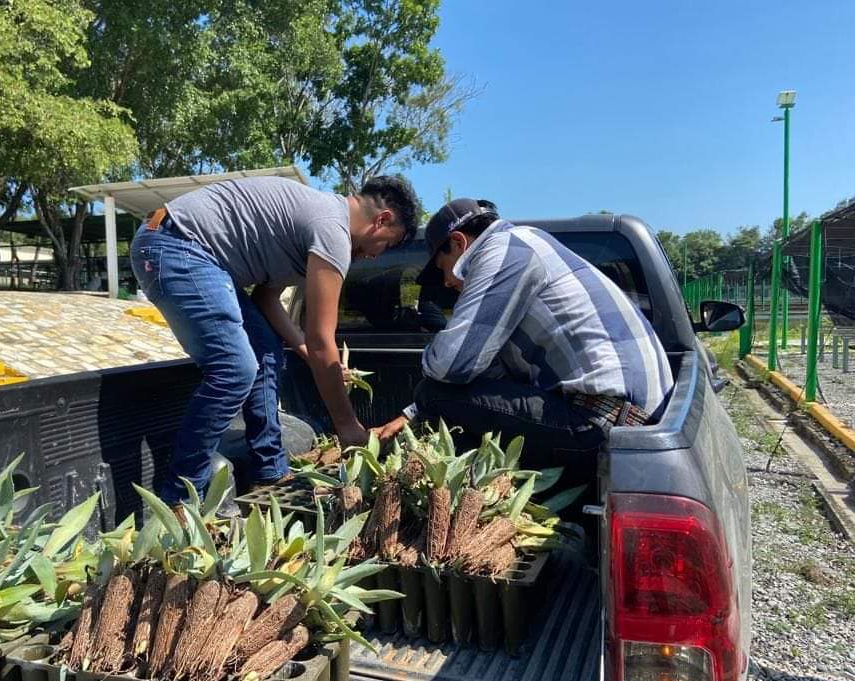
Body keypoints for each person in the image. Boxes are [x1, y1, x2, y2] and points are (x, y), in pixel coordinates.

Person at [131, 175, 420, 503]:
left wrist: (308, 353)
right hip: (176, 244)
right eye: (386, 245)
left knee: (267, 348)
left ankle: (269, 472)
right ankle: (181, 500)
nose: (376, 255)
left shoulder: (317, 225)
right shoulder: (333, 229)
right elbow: (321, 339)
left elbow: (266, 300)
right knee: (234, 369)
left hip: (197, 255)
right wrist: (349, 428)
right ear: (382, 220)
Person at [375, 199, 673, 469]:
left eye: (443, 268)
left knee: (433, 392)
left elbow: (451, 365)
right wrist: (411, 413)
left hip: (602, 424)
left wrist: (430, 368)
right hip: (630, 419)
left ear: (458, 242)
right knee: (437, 398)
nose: (446, 282)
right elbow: (489, 370)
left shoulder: (504, 252)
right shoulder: (528, 243)